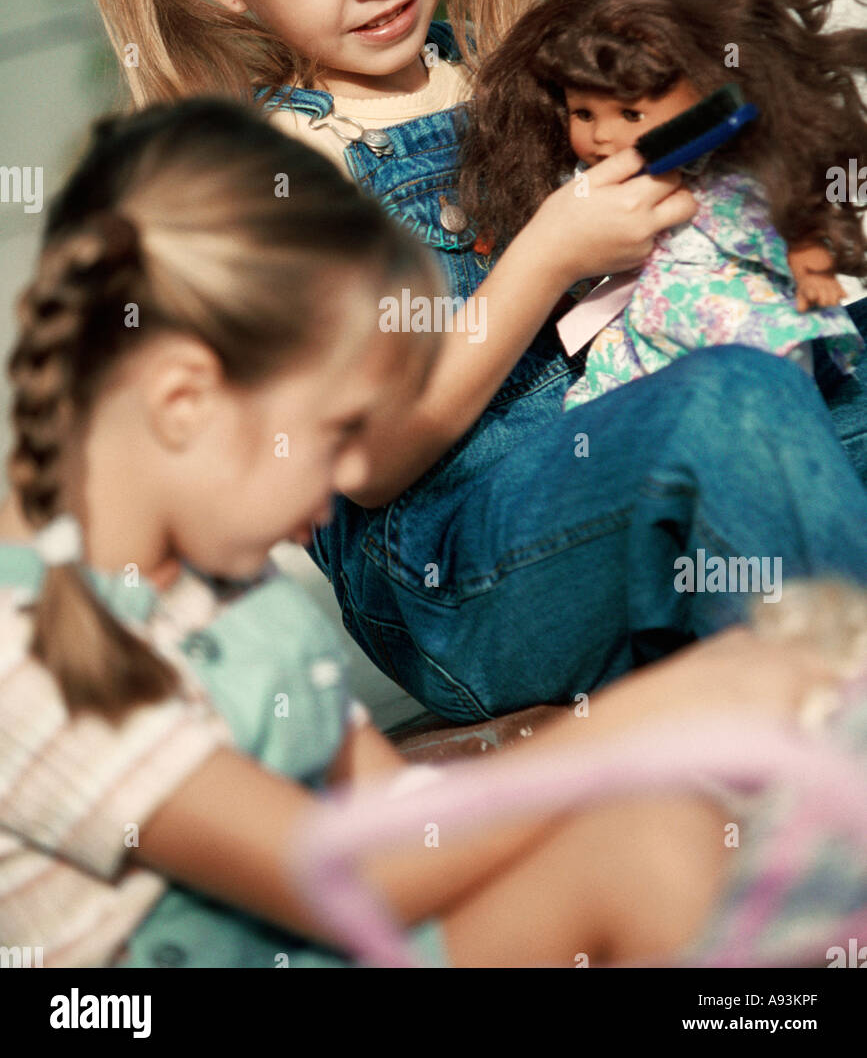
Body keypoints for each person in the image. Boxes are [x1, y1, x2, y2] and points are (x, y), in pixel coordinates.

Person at [76, 0, 867, 720]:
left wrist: (637, 62)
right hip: (454, 566)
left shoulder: (495, 76)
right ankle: (835, 750)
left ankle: (770, 679)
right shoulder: (271, 168)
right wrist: (547, 249)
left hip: (609, 464)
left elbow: (690, 198)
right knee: (729, 404)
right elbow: (365, 460)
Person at [0, 99, 858, 969]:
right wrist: (650, 718)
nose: (348, 486)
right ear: (183, 403)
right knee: (644, 851)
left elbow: (397, 812)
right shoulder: (22, 652)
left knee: (658, 830)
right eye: (334, 435)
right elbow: (341, 875)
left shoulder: (222, 581)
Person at [458, 0, 867, 408]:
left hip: (738, 324)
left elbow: (791, 207)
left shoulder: (728, 177)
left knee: (761, 405)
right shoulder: (590, 186)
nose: (602, 135)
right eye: (582, 112)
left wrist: (812, 264)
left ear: (704, 93)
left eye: (631, 114)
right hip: (646, 335)